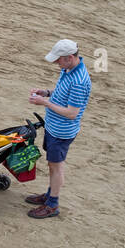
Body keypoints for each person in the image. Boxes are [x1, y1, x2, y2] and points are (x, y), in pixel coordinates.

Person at [25, 39, 91, 220]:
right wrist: (47, 93)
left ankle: (52, 204)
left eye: (58, 60)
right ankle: (49, 195)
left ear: (70, 57)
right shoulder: (68, 69)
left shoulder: (79, 81)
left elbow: (71, 113)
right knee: (52, 165)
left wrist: (45, 102)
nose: (56, 63)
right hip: (54, 128)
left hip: (62, 132)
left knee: (56, 167)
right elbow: (63, 92)